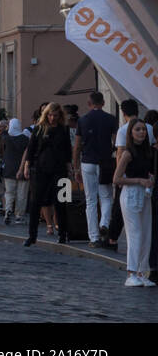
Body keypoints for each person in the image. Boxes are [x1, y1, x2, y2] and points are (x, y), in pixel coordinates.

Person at [23, 102, 73, 248]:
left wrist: (70, 168)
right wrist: (27, 166)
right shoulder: (39, 129)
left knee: (62, 202)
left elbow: (67, 150)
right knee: (35, 202)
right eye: (50, 115)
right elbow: (31, 149)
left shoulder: (64, 129)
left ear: (59, 116)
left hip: (59, 169)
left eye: (55, 115)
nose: (52, 118)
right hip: (40, 169)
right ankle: (32, 235)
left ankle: (63, 234)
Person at [112, 118, 155, 287]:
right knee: (135, 234)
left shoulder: (147, 152)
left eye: (143, 129)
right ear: (131, 133)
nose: (142, 132)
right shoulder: (127, 153)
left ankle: (142, 272)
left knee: (146, 234)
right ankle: (131, 272)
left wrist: (149, 179)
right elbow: (116, 179)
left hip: (145, 194)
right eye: (138, 129)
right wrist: (138, 180)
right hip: (130, 194)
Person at [73, 90, 117, 246]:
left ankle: (94, 237)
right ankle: (104, 223)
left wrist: (76, 167)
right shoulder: (111, 119)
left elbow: (77, 146)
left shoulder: (83, 120)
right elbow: (116, 143)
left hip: (87, 162)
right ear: (103, 103)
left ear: (89, 104)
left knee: (90, 200)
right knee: (106, 197)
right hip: (105, 162)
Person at [2, 119, 29, 225]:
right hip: (22, 169)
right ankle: (19, 215)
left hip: (8, 169)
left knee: (9, 193)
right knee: (22, 193)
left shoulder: (6, 138)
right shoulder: (25, 139)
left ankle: (8, 211)